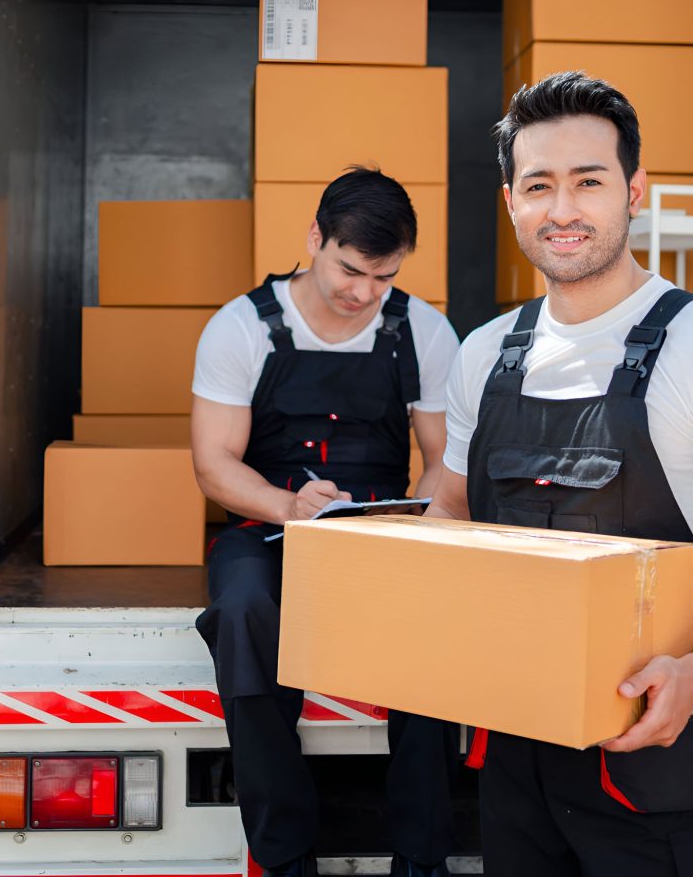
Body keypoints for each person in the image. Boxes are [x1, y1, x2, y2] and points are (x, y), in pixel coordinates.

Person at [423, 72, 693, 876]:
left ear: (634, 190)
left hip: (656, 757)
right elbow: (453, 510)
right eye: (538, 185)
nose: (562, 209)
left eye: (588, 182)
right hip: (518, 752)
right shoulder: (483, 355)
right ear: (511, 202)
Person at [191, 167, 462, 877]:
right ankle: (285, 859)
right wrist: (288, 507)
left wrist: (414, 524)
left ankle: (422, 860)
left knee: (436, 630)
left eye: (384, 276)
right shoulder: (242, 327)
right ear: (315, 237)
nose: (364, 293)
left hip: (383, 528)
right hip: (266, 524)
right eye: (351, 270)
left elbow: (441, 461)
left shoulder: (424, 330)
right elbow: (214, 464)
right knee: (244, 613)